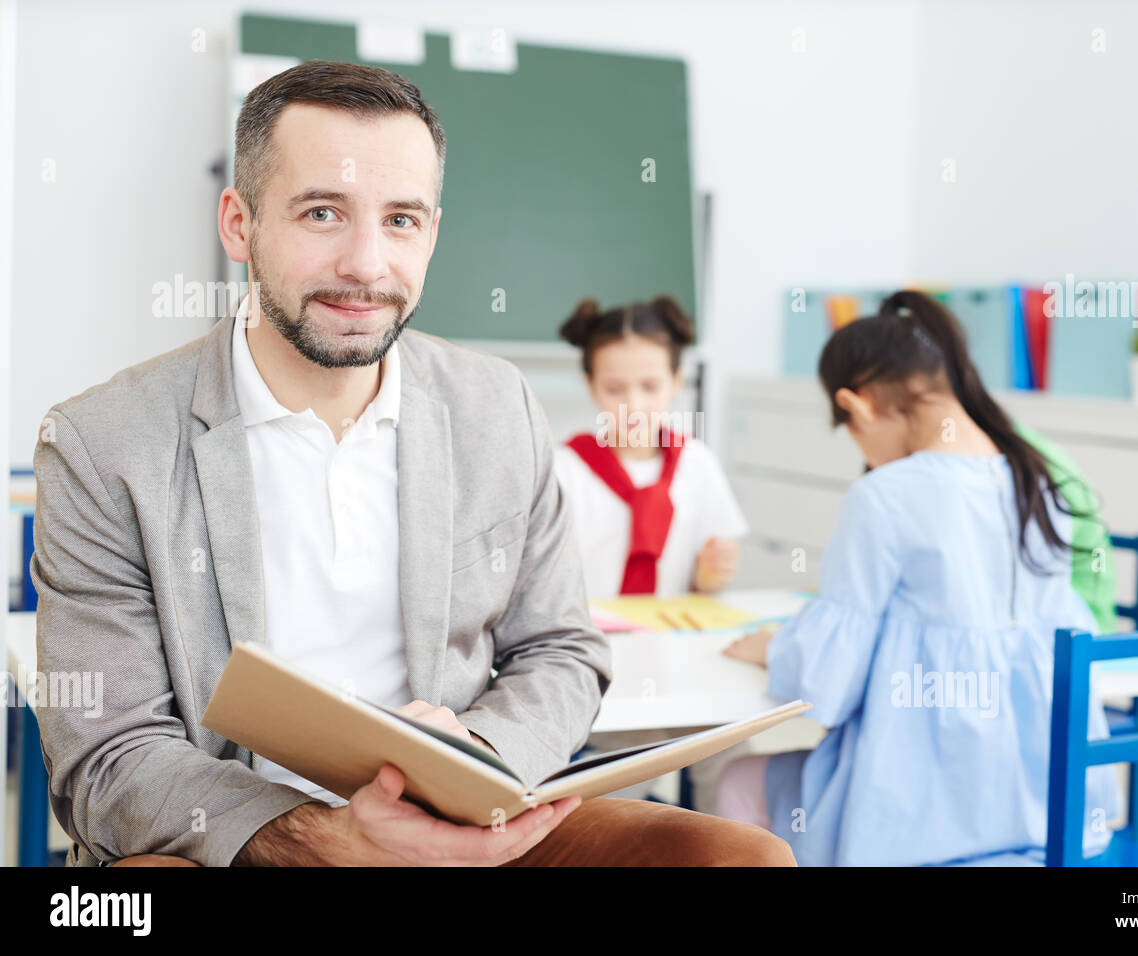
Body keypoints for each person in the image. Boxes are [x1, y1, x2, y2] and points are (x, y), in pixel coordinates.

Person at [31, 59, 793, 868]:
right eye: (322, 212)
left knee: (742, 860)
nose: (366, 264)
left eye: (400, 219)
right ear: (238, 223)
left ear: (431, 232)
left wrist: (470, 759)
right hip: (235, 842)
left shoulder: (496, 406)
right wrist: (329, 839)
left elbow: (562, 650)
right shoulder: (101, 443)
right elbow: (108, 756)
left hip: (463, 819)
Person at [715, 290, 1120, 866]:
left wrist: (775, 649)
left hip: (920, 816)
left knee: (737, 780)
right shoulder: (1039, 479)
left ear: (856, 406)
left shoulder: (885, 495)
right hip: (1050, 814)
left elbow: (828, 687)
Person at [554, 296, 747, 598]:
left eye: (650, 387)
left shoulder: (697, 462)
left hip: (668, 626)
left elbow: (709, 582)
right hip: (584, 626)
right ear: (590, 385)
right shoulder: (562, 469)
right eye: (615, 389)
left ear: (677, 381)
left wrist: (712, 575)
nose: (634, 405)